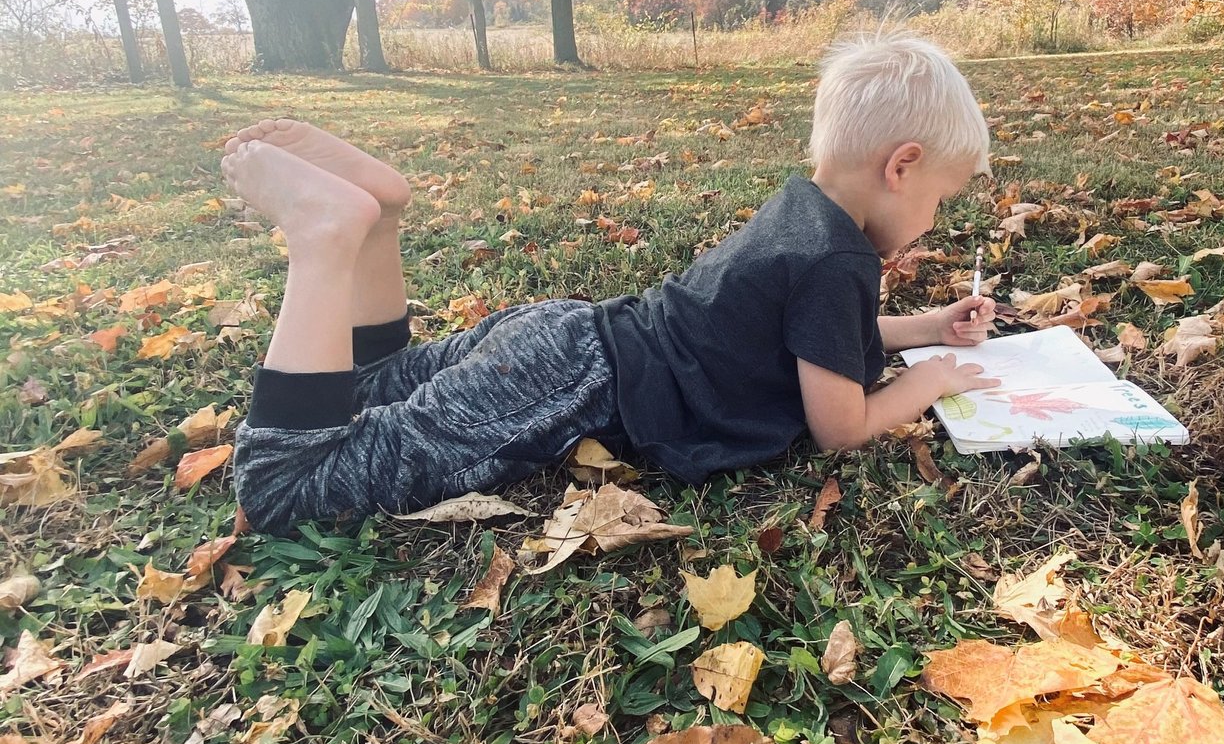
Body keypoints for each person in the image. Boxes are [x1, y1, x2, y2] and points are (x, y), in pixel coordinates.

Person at [228, 35, 998, 533]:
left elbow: (810, 342)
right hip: (568, 378)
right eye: (942, 197)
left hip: (565, 335)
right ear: (901, 167)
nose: (935, 218)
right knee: (287, 490)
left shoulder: (804, 213)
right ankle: (326, 239)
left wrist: (928, 327)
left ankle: (379, 221)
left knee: (366, 387)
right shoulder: (838, 261)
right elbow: (842, 426)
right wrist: (926, 380)